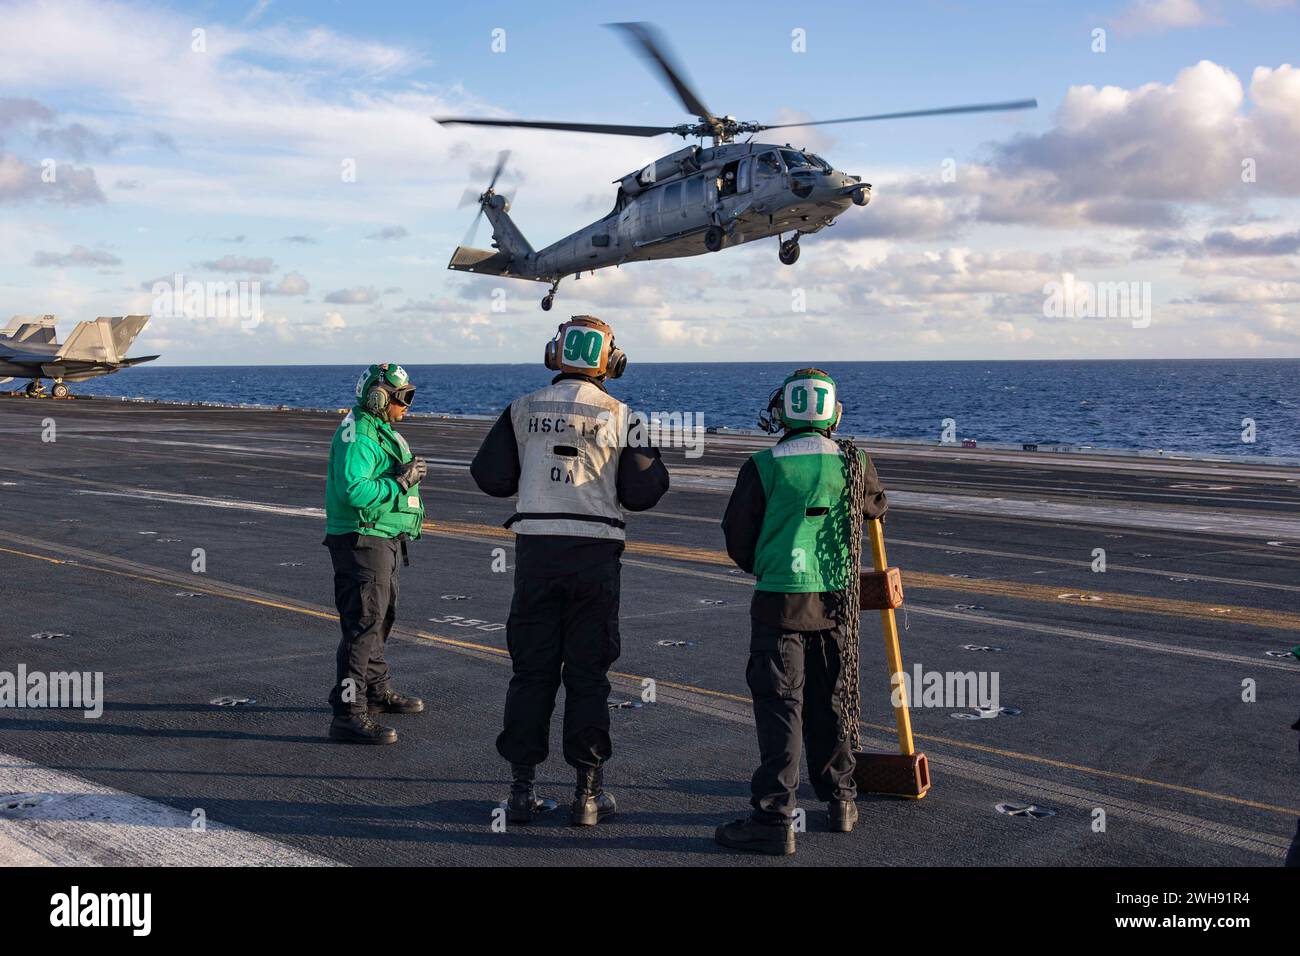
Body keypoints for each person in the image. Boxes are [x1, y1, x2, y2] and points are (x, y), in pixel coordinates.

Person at [471, 316, 669, 826]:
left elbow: (489, 476)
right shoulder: (623, 415)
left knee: (531, 673)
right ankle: (587, 793)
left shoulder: (522, 408)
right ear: (611, 362)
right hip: (595, 556)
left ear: (554, 355)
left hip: (536, 555)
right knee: (588, 676)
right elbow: (644, 492)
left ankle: (520, 790)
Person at [715, 368, 888, 855]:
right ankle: (841, 802)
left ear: (781, 411)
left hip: (779, 599)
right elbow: (876, 506)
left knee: (780, 709)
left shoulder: (764, 464)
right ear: (833, 414)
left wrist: (768, 563)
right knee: (831, 703)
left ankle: (774, 820)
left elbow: (737, 537)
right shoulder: (854, 462)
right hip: (837, 603)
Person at [323, 363, 427, 744]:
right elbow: (355, 490)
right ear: (380, 397)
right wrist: (400, 480)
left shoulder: (376, 429)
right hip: (362, 539)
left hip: (381, 536)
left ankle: (375, 690)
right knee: (363, 626)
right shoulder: (361, 436)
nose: (408, 406)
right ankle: (348, 714)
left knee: (379, 617)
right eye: (404, 398)